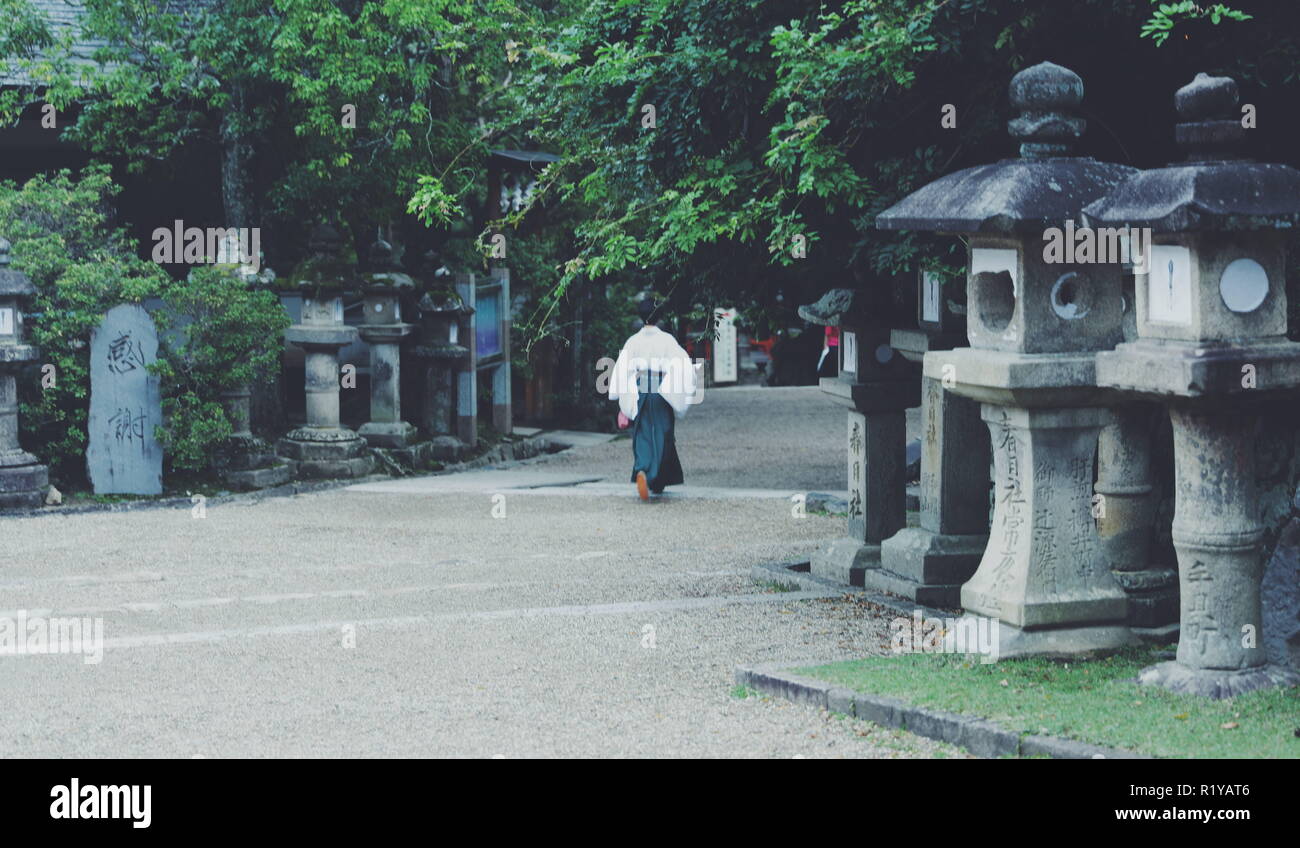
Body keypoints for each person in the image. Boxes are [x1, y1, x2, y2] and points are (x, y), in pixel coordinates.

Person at [609, 298, 697, 501]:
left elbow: (623, 370)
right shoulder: (666, 340)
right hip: (661, 392)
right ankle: (655, 478)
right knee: (663, 434)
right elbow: (683, 366)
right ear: (659, 317)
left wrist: (621, 399)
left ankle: (642, 469)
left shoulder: (633, 341)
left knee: (642, 433)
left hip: (640, 392)